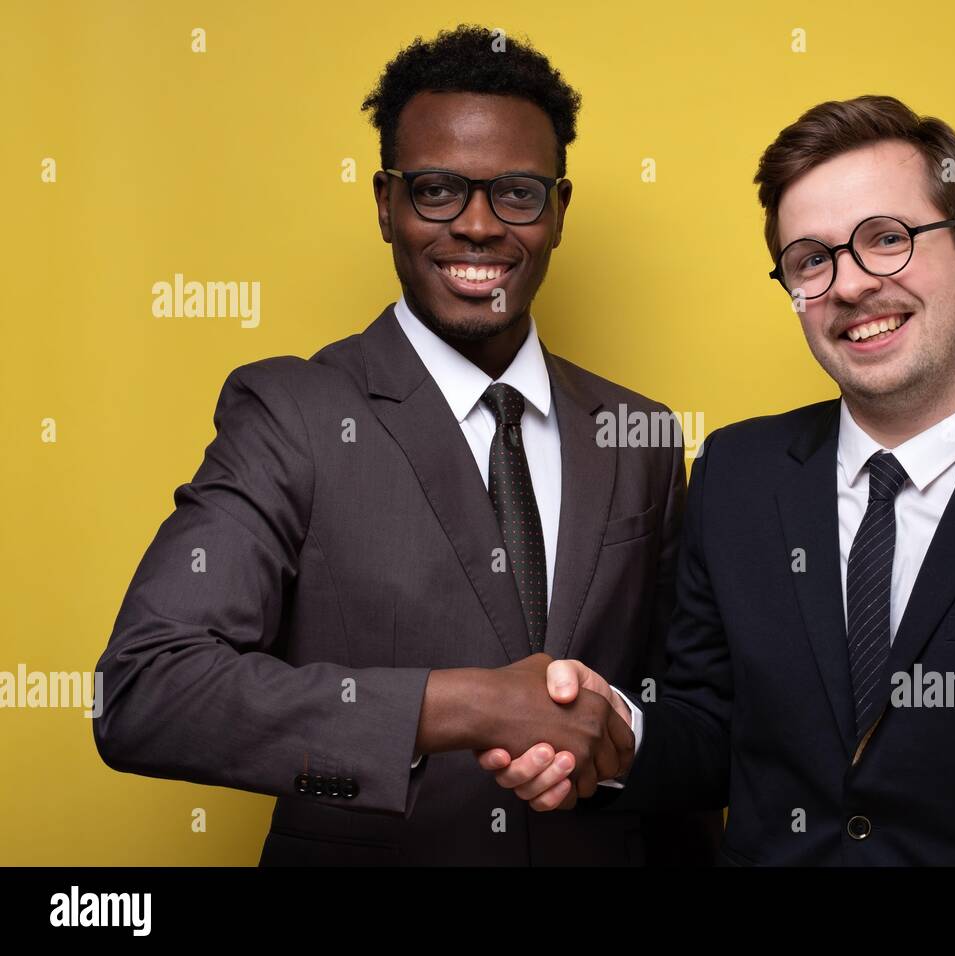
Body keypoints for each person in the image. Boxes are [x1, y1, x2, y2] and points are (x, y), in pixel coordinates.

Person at [479, 94, 955, 866]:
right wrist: (620, 730)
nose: (849, 286)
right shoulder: (735, 477)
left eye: (888, 239)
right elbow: (711, 737)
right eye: (812, 259)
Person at [93, 25, 721, 866]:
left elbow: (686, 724)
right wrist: (467, 706)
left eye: (517, 195)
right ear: (386, 202)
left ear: (559, 212)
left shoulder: (638, 433)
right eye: (437, 191)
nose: (477, 226)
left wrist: (616, 742)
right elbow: (147, 687)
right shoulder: (292, 411)